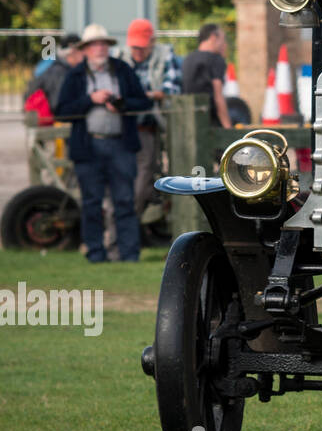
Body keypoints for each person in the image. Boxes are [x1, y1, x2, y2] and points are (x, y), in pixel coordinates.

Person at [54, 23, 150, 263]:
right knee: (92, 203)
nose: (99, 48)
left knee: (125, 202)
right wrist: (90, 100)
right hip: (89, 147)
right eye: (94, 45)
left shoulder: (122, 70)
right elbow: (62, 111)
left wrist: (121, 104)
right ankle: (96, 254)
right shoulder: (75, 75)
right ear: (85, 49)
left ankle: (129, 255)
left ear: (108, 46)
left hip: (120, 146)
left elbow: (143, 102)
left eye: (103, 44)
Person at [120, 18, 182, 223]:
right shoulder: (120, 56)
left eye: (142, 47)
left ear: (152, 42)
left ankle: (130, 221)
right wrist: (146, 95)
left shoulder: (165, 55)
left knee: (144, 174)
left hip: (148, 127)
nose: (137, 51)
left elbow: (171, 90)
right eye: (134, 46)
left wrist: (139, 97)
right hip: (121, 128)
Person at [23, 33, 83, 124]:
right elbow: (58, 105)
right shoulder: (60, 72)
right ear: (72, 52)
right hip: (51, 120)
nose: (85, 53)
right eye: (82, 49)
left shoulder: (60, 67)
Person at [182, 23, 233, 128]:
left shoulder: (188, 59)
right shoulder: (215, 59)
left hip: (188, 120)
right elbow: (218, 96)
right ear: (213, 37)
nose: (224, 44)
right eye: (223, 39)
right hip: (209, 121)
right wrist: (228, 128)